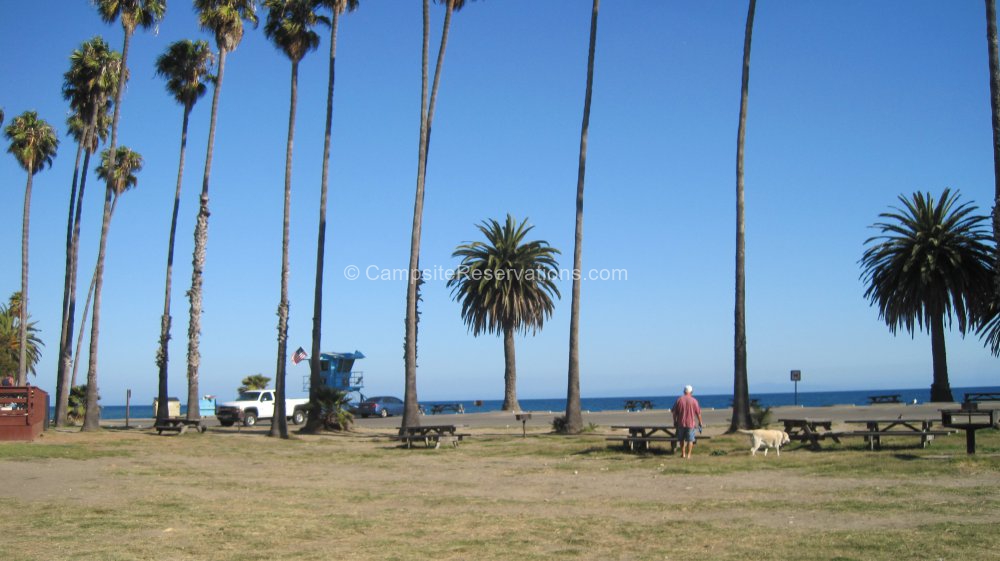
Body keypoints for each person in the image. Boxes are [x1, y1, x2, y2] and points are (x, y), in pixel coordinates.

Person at [672, 384, 703, 459]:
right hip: (690, 423)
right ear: (691, 392)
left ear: (684, 392)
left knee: (681, 439)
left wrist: (675, 421)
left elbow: (674, 412)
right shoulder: (694, 400)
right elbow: (698, 413)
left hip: (681, 423)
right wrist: (700, 422)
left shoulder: (679, 400)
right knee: (690, 440)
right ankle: (689, 454)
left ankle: (683, 453)